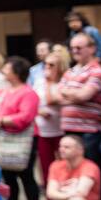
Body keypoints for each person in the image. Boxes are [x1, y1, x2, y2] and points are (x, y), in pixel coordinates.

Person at [0, 56, 40, 200]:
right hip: (2, 140)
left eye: (7, 68)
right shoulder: (2, 92)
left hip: (23, 140)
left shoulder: (28, 93)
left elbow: (26, 116)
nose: (3, 71)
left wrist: (2, 120)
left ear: (16, 72)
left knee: (26, 176)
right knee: (8, 177)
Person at [59, 31, 101, 185]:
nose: (75, 51)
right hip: (69, 129)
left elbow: (84, 95)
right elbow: (56, 97)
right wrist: (75, 95)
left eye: (79, 47)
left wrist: (69, 94)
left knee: (90, 171)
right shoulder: (70, 71)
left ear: (92, 48)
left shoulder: (97, 71)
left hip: (89, 132)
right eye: (72, 48)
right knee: (73, 171)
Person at [33, 49, 67, 181]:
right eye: (46, 64)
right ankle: (49, 196)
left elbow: (51, 100)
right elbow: (32, 103)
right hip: (43, 132)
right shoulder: (39, 82)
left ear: (60, 67)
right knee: (45, 166)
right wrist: (38, 111)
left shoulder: (63, 82)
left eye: (52, 65)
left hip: (60, 131)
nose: (47, 67)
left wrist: (48, 83)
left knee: (63, 165)